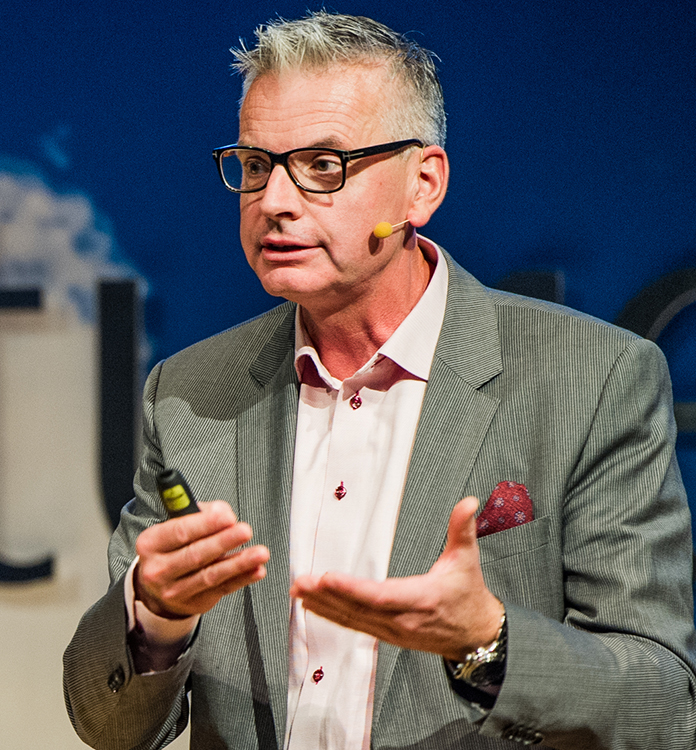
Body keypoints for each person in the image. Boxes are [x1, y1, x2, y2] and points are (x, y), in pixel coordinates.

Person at [63, 11, 696, 749]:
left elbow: (663, 702)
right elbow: (104, 725)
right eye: (257, 165)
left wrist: (488, 645)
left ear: (422, 186)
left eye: (323, 166)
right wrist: (155, 616)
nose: (274, 201)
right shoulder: (190, 395)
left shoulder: (593, 381)